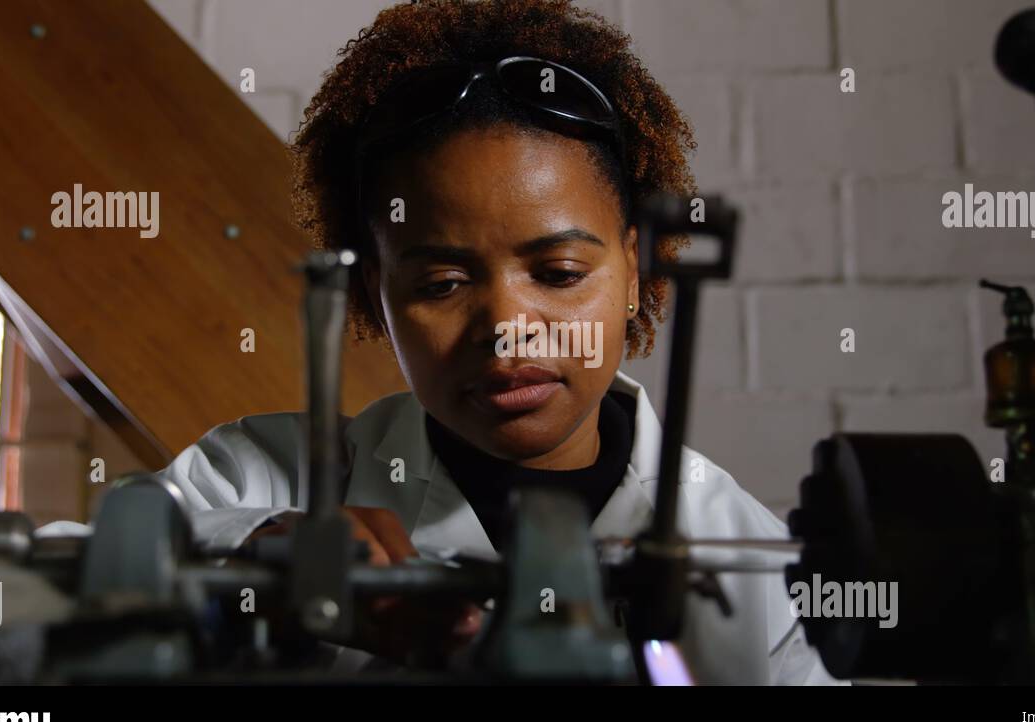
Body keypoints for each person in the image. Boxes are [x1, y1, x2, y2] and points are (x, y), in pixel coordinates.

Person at [160, 0, 841, 685]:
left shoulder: (747, 556)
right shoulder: (264, 475)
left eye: (559, 273)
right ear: (377, 292)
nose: (508, 328)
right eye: (443, 283)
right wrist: (252, 555)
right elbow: (73, 565)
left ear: (634, 270)